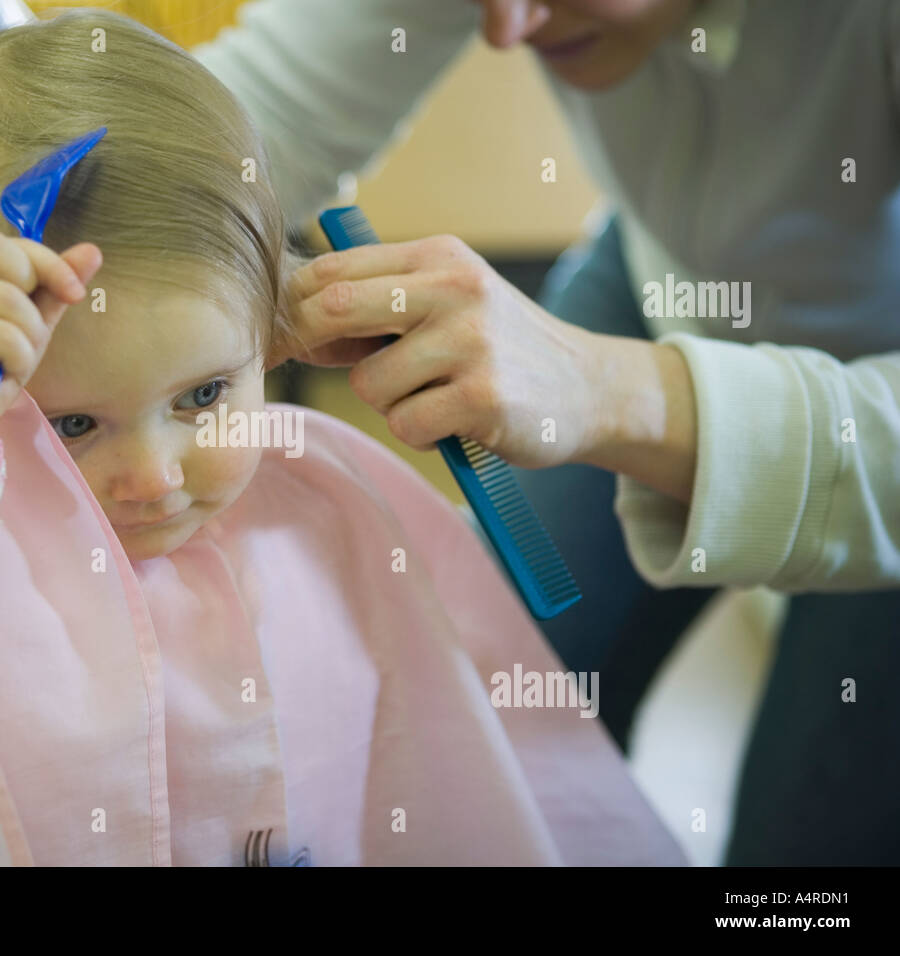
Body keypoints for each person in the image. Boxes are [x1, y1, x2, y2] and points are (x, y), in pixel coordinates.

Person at [0, 10, 682, 866]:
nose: (154, 476)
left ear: (273, 327)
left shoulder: (335, 502)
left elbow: (457, 768)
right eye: (72, 423)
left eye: (206, 393)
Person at [193, 0, 900, 864]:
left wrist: (605, 389)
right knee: (476, 707)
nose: (507, 27)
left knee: (802, 857)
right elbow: (259, 123)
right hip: (660, 282)